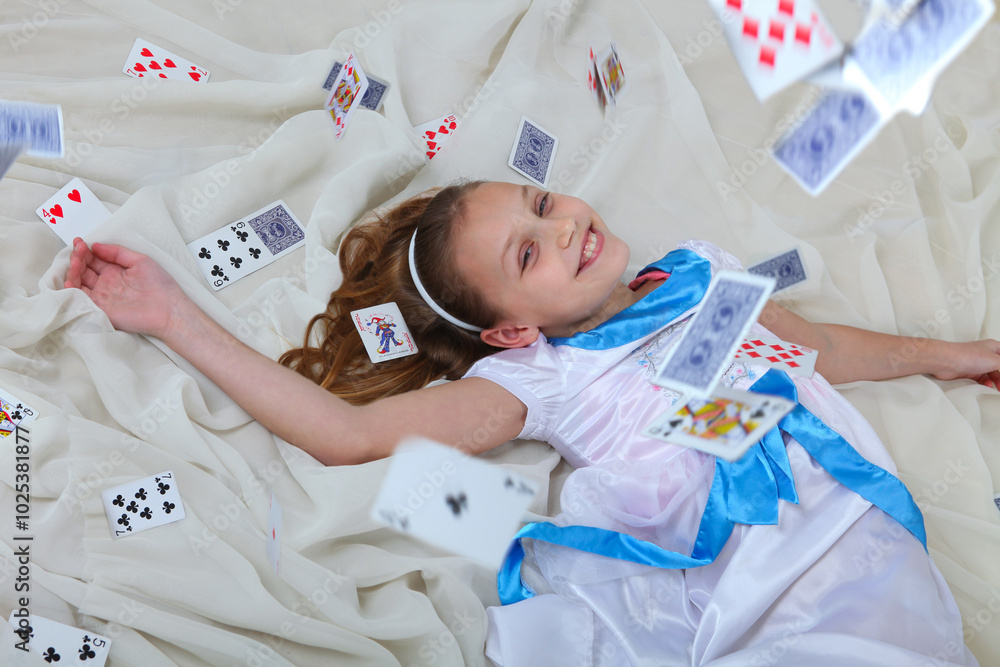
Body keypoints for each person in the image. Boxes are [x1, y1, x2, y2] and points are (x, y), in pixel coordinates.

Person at [63, 181, 999, 665]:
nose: (564, 229)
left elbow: (814, 349)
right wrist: (171, 316)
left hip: (852, 529)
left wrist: (953, 355)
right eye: (529, 250)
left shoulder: (700, 277)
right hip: (735, 577)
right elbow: (342, 438)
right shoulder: (547, 376)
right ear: (513, 328)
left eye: (544, 205)